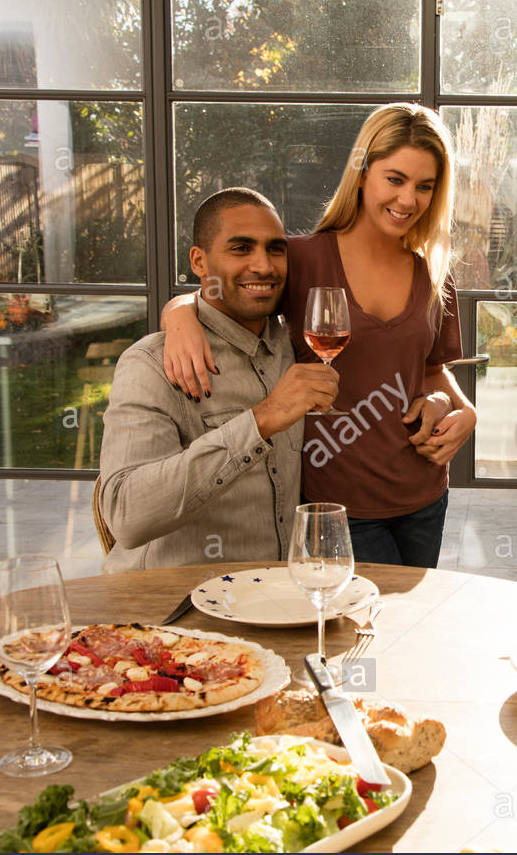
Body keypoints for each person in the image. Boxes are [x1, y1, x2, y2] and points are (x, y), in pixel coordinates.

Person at [161, 104, 476, 568]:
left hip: (425, 495)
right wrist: (179, 314)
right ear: (362, 172)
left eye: (424, 186)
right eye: (395, 179)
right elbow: (224, 292)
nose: (408, 200)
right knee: (361, 629)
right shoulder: (305, 258)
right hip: (333, 502)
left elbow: (432, 371)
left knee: (408, 632)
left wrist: (463, 411)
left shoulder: (434, 273)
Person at [97, 187, 338, 573]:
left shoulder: (295, 345)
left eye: (275, 249)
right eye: (241, 249)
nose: (263, 266)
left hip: (274, 599)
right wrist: (260, 421)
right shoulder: (150, 365)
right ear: (199, 260)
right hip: (171, 607)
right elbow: (127, 515)